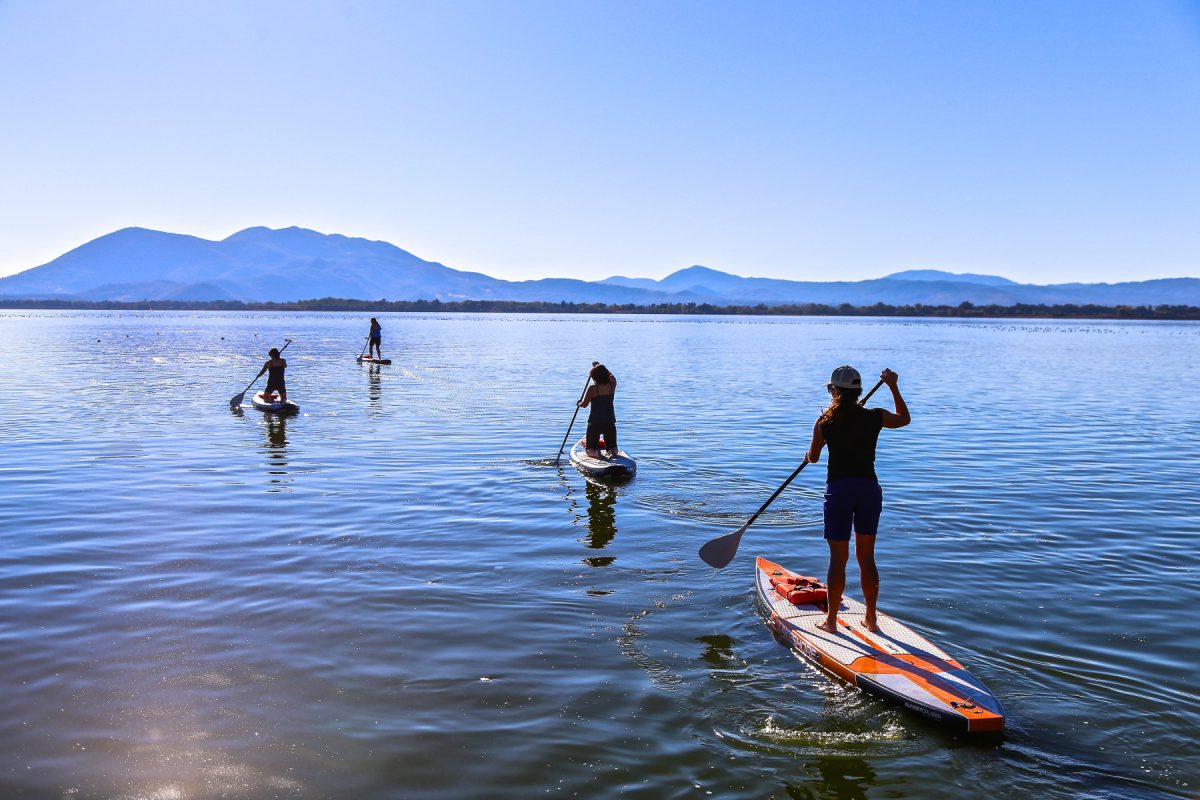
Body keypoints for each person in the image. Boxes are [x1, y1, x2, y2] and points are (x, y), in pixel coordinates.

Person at [805, 365, 909, 633]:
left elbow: (813, 458)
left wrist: (812, 451)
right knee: (867, 558)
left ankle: (830, 622)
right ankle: (871, 619)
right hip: (868, 490)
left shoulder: (824, 422)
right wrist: (893, 386)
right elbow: (903, 419)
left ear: (834, 390)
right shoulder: (875, 416)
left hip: (839, 492)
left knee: (838, 560)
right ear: (858, 391)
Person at [577, 363, 618, 458]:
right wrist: (601, 367)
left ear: (594, 377)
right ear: (606, 374)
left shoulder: (592, 388)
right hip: (610, 421)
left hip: (595, 422)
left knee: (589, 449)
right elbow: (613, 377)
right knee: (612, 446)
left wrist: (579, 403)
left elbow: (584, 404)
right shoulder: (612, 385)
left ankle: (595, 452)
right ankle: (612, 451)